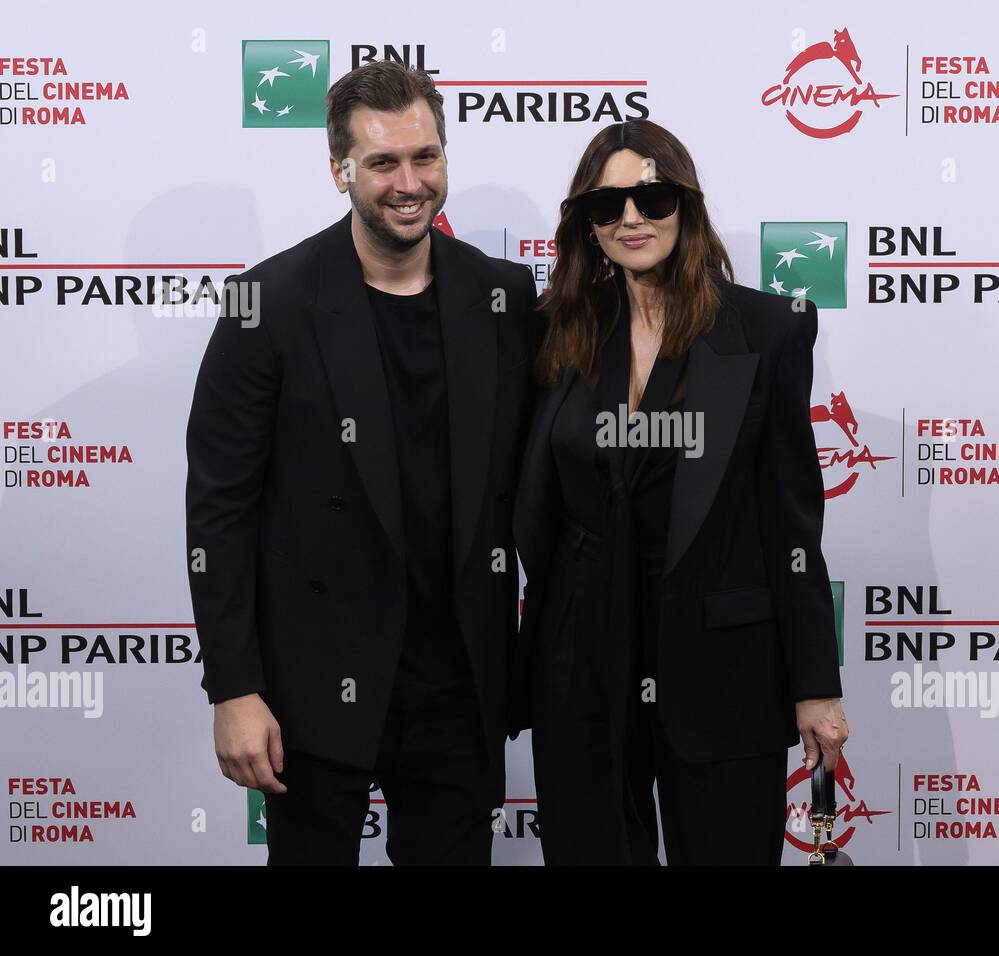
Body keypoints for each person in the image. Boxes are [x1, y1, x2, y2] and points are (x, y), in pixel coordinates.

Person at [185, 60, 538, 865]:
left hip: (458, 684)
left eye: (426, 157)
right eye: (382, 162)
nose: (409, 183)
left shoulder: (505, 299)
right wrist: (234, 689)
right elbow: (220, 511)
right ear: (339, 169)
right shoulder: (266, 305)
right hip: (310, 684)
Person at [510, 119, 848, 865]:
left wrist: (816, 686)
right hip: (583, 668)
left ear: (685, 205)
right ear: (588, 226)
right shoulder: (559, 332)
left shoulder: (765, 330)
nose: (631, 218)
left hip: (723, 669)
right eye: (608, 206)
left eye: (651, 197)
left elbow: (791, 524)